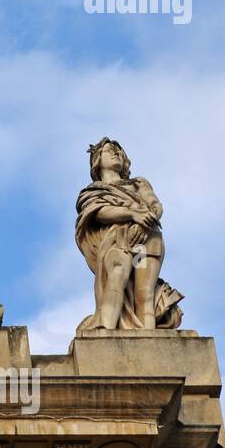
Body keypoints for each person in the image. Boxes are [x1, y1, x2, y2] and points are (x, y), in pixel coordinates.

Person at [75, 138, 182, 331]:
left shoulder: (139, 184)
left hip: (146, 241)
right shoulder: (94, 191)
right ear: (97, 160)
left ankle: (148, 340)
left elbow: (155, 205)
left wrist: (144, 224)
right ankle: (105, 329)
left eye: (119, 151)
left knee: (144, 294)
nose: (115, 153)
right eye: (109, 150)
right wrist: (132, 213)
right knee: (117, 273)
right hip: (118, 240)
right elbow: (99, 212)